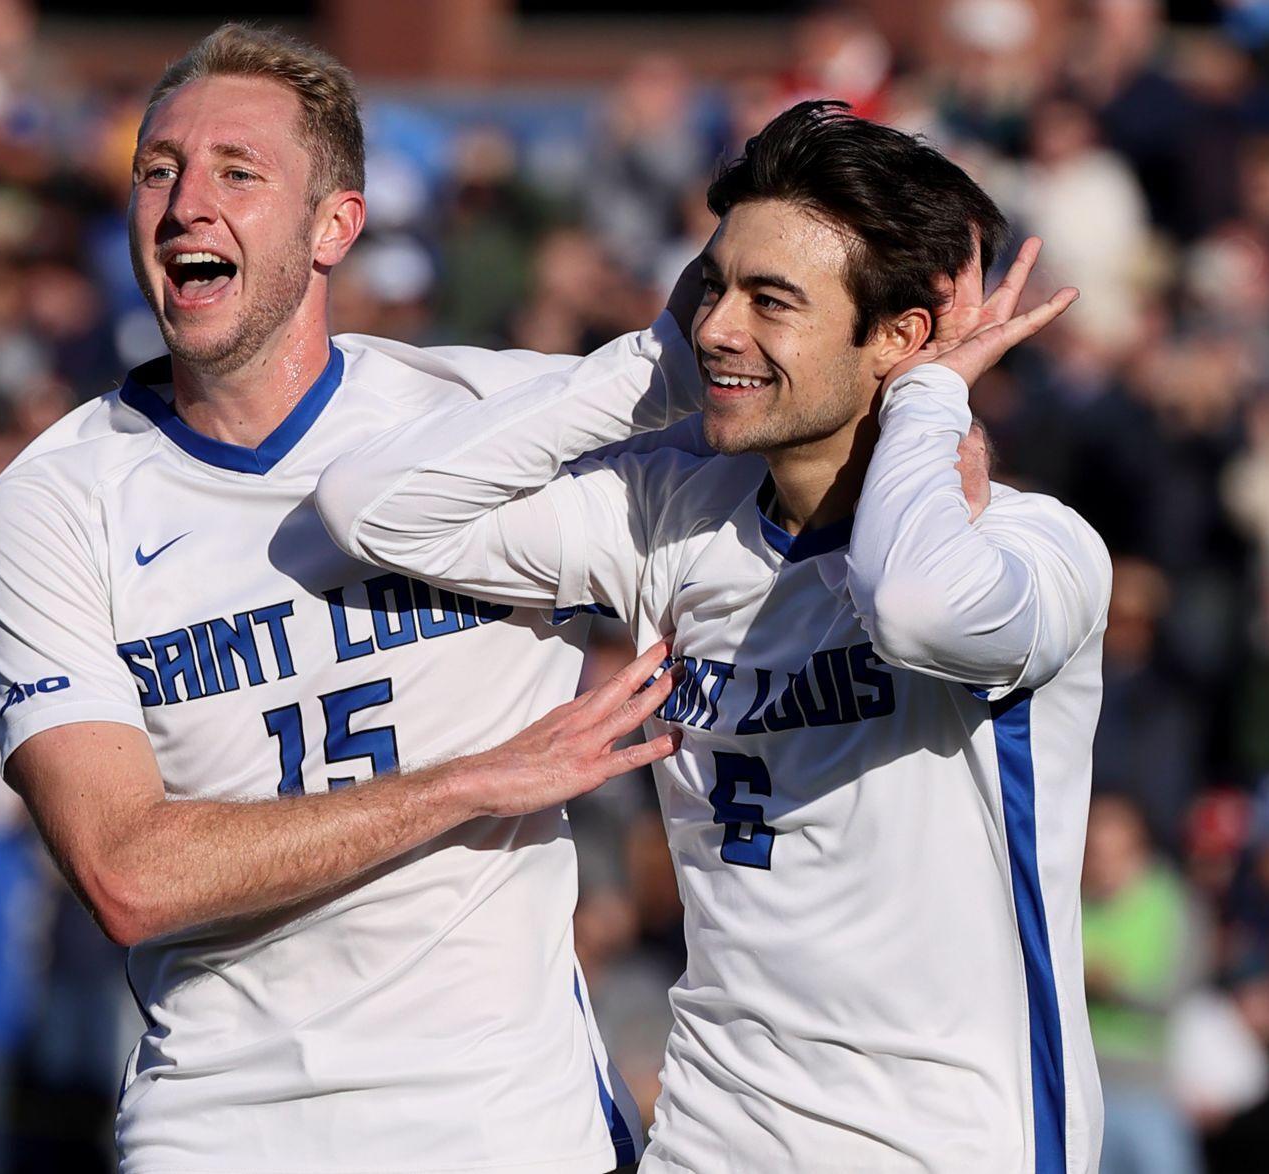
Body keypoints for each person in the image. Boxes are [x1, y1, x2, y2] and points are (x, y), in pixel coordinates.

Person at [319, 100, 1110, 1170]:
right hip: (708, 1141)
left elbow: (910, 604)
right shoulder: (670, 521)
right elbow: (373, 507)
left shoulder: (1033, 553)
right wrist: (649, 365)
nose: (716, 327)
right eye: (712, 287)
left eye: (769, 300)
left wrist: (926, 403)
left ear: (900, 336)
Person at [0, 23, 687, 1173]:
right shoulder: (54, 499)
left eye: (235, 173)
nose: (184, 203)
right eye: (158, 169)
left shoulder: (490, 412)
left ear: (333, 227)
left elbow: (764, 481)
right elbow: (128, 873)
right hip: (220, 1130)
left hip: (504, 1126)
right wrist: (471, 782)